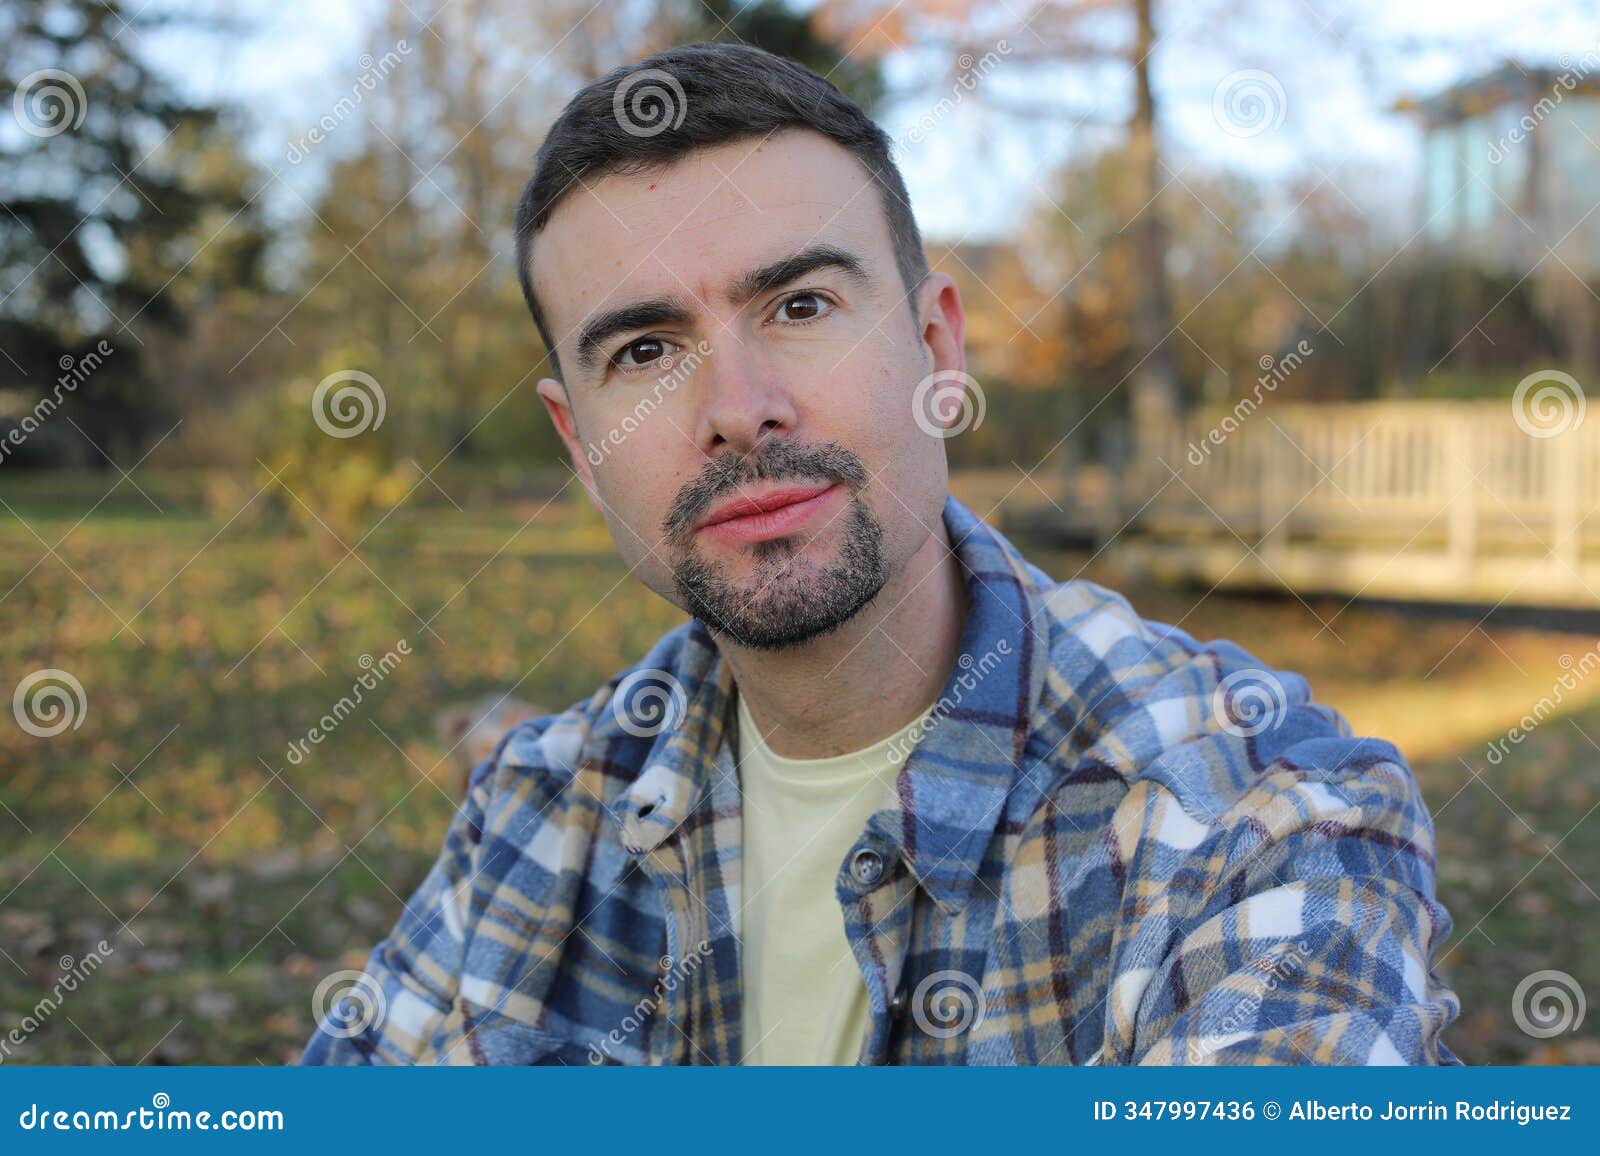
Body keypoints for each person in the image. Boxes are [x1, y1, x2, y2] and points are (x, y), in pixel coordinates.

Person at [302, 41, 1458, 1066]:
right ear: (581, 442)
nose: (739, 409)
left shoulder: (1252, 825)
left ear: (937, 347)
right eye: (647, 349)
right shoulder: (536, 815)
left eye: (798, 307)